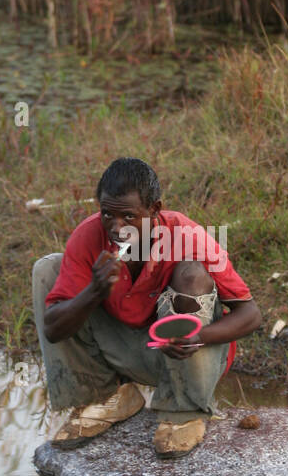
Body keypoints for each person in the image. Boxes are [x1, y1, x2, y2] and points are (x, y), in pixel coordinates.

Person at [34, 157, 261, 458]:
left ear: (154, 210)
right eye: (107, 214)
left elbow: (251, 315)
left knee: (192, 275)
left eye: (129, 217)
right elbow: (53, 329)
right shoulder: (89, 236)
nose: (117, 228)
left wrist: (198, 336)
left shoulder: (187, 237)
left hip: (186, 353)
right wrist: (93, 291)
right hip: (126, 350)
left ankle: (184, 411)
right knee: (48, 269)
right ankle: (106, 399)